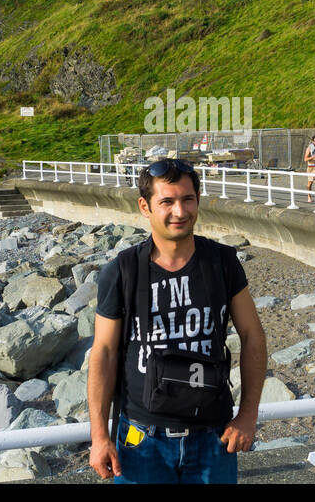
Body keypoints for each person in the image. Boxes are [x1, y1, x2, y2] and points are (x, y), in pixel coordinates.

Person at [88, 158, 267, 484]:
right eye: (167, 202)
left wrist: (248, 415)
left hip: (213, 437)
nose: (180, 212)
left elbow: (253, 336)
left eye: (187, 199)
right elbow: (103, 352)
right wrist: (99, 437)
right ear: (145, 206)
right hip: (142, 439)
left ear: (198, 200)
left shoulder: (223, 263)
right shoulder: (122, 271)